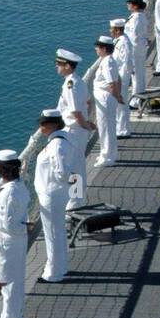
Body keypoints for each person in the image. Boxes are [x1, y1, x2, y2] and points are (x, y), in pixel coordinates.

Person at [0, 150, 29, 318]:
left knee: (7, 283)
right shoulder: (17, 186)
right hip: (12, 243)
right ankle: (16, 317)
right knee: (16, 281)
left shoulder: (9, 193)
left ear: (1, 169)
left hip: (7, 245)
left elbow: (10, 225)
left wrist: (24, 229)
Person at [34, 108, 73, 282]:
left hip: (51, 195)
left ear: (54, 125)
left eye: (44, 124)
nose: (41, 127)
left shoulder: (56, 145)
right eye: (40, 123)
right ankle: (61, 267)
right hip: (55, 194)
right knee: (57, 232)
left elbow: (62, 172)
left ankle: (53, 273)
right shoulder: (62, 139)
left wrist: (58, 183)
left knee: (52, 235)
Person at [56, 46, 96, 210]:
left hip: (73, 130)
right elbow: (88, 102)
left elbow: (75, 112)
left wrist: (86, 125)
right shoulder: (79, 81)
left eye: (59, 63)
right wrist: (87, 122)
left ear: (67, 66)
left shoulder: (70, 85)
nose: (56, 66)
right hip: (78, 130)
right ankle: (78, 200)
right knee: (78, 166)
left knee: (73, 168)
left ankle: (74, 204)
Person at [92, 35, 122, 167]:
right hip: (107, 98)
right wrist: (118, 96)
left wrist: (116, 97)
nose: (96, 49)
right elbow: (118, 80)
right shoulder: (108, 60)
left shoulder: (107, 62)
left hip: (105, 98)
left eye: (97, 47)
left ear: (104, 48)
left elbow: (112, 83)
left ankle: (107, 157)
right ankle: (109, 154)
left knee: (106, 128)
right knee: (107, 127)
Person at [109, 18, 133, 139]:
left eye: (112, 29)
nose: (110, 31)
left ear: (118, 30)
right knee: (119, 103)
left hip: (121, 77)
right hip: (119, 76)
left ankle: (123, 130)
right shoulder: (118, 41)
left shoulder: (123, 42)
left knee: (121, 103)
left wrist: (125, 78)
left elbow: (127, 61)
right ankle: (121, 127)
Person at [125, 0, 149, 97]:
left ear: (135, 5)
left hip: (135, 49)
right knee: (139, 72)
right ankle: (141, 93)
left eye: (129, 3)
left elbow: (134, 36)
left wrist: (129, 50)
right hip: (139, 47)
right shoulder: (139, 16)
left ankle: (136, 98)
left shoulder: (136, 18)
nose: (128, 5)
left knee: (135, 74)